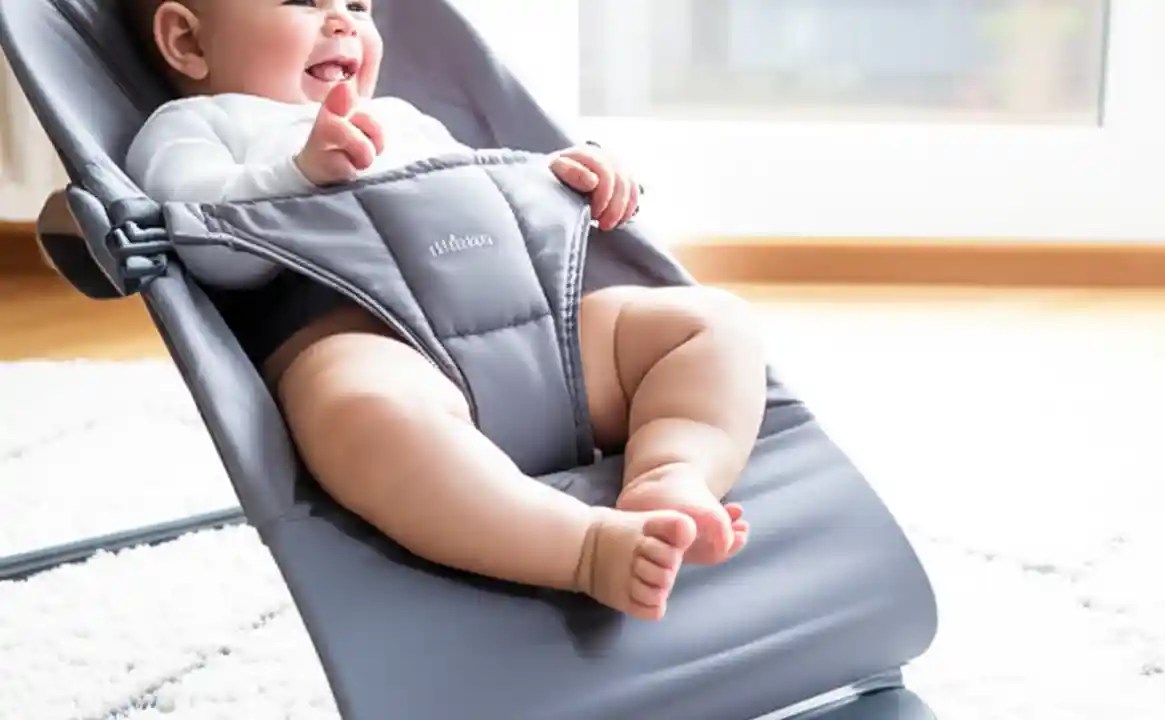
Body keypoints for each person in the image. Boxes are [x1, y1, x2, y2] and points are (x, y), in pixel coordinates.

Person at [123, 0, 766, 622]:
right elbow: (206, 248)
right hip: (378, 349)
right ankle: (582, 547)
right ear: (188, 40)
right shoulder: (195, 126)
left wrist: (562, 178)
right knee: (362, 413)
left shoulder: (400, 118)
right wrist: (295, 178)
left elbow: (481, 196)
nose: (342, 20)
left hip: (542, 338)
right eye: (301, 1)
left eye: (359, 6)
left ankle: (672, 474)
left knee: (710, 324)